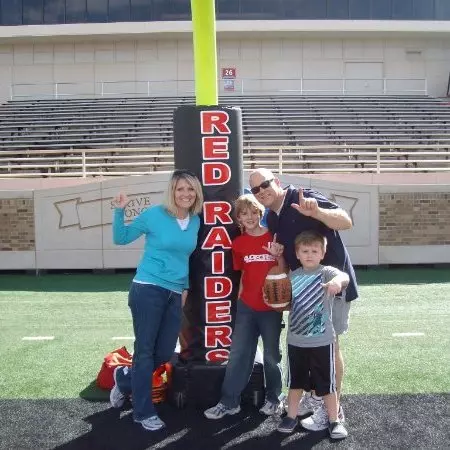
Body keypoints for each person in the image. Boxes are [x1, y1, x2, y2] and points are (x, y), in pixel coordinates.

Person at [248, 168, 358, 428]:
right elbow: (288, 262)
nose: (261, 191)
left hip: (331, 287)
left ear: (277, 181)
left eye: (264, 184)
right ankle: (313, 398)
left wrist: (317, 212)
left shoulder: (303, 197)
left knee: (330, 348)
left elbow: (346, 221)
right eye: (255, 189)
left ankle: (334, 410)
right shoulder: (272, 218)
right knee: (308, 348)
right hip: (305, 293)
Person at [109, 169, 203, 431]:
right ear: (172, 191)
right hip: (148, 288)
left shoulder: (195, 220)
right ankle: (142, 411)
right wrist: (120, 211)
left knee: (162, 353)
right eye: (180, 189)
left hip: (175, 293)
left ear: (196, 192)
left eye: (190, 189)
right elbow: (121, 238)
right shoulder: (154, 214)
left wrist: (183, 291)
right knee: (145, 350)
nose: (185, 194)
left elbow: (184, 258)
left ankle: (124, 378)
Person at [204, 194, 285, 420]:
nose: (249, 217)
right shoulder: (238, 244)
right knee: (238, 354)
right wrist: (241, 298)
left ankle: (274, 398)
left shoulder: (273, 237)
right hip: (247, 307)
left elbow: (283, 271)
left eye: (253, 212)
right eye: (243, 213)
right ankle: (229, 402)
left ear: (260, 213)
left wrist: (278, 257)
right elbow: (242, 274)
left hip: (271, 308)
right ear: (238, 218)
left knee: (271, 357)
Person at [277, 230, 349, 439]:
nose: (309, 254)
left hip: (322, 340)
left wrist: (337, 283)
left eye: (314, 251)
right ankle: (291, 416)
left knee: (327, 384)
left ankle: (334, 420)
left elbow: (342, 276)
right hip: (296, 340)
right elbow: (283, 300)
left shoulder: (326, 272)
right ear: (297, 254)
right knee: (295, 382)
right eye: (305, 251)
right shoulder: (292, 276)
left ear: (322, 253)